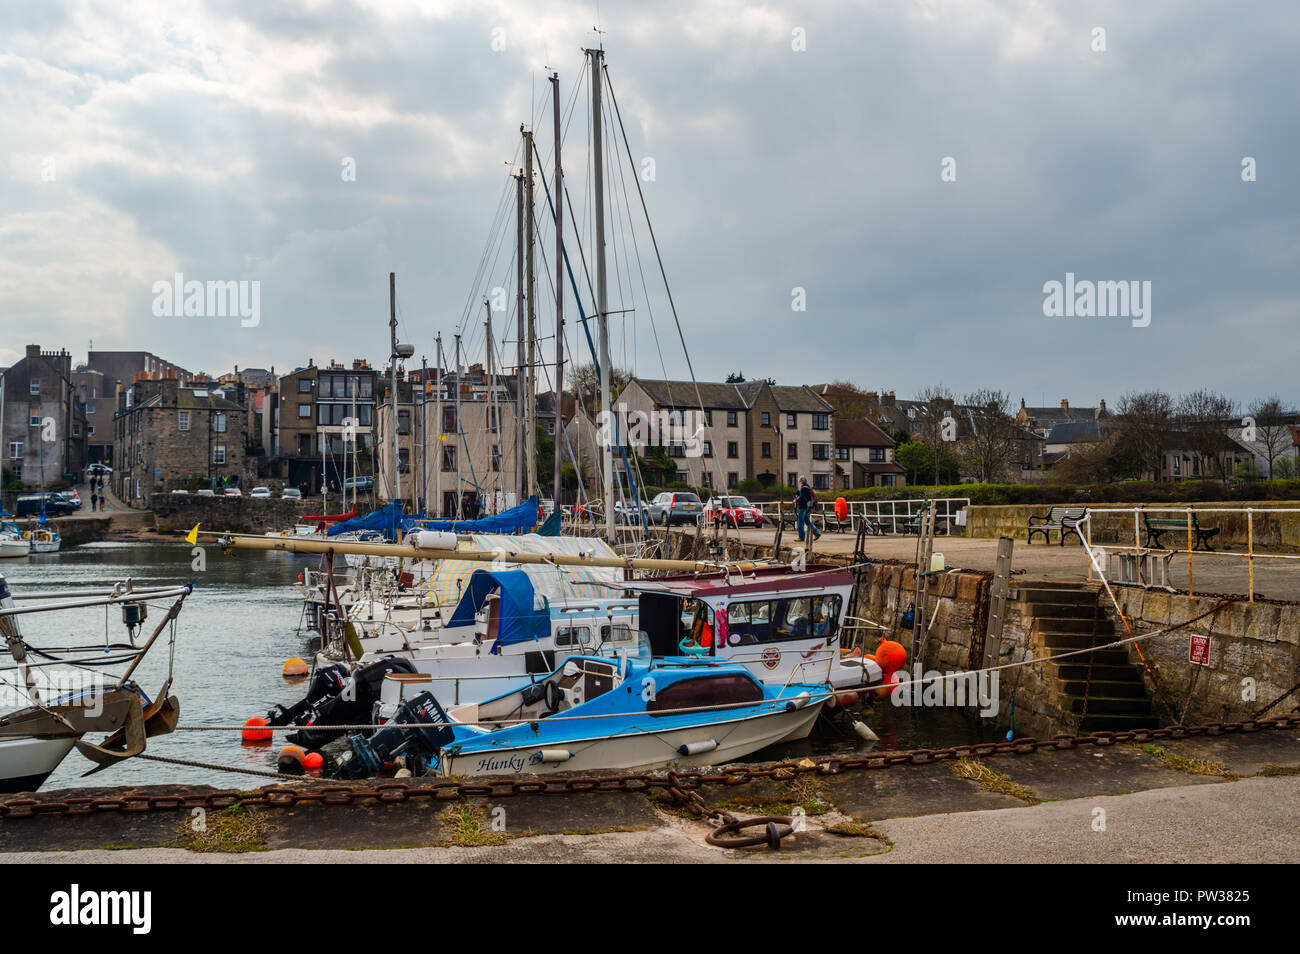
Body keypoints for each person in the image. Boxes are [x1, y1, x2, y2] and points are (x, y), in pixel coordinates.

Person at [795, 476, 820, 542]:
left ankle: (801, 537)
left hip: (803, 507)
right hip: (808, 507)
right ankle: (816, 533)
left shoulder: (803, 488)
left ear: (801, 482)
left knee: (800, 522)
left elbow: (802, 498)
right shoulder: (808, 487)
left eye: (799, 482)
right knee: (807, 521)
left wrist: (796, 500)